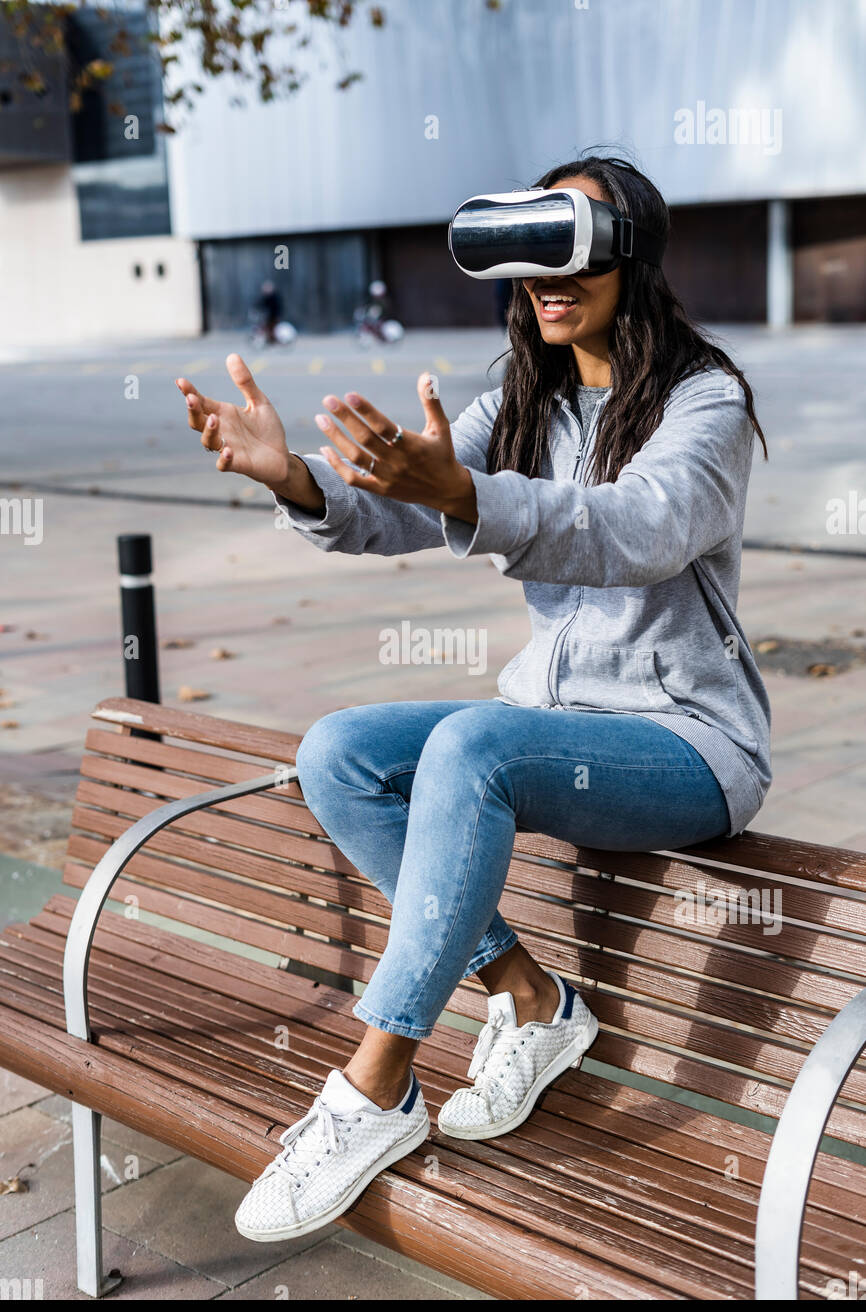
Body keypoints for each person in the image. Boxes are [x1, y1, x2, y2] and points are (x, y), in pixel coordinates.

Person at [176, 154, 771, 1245]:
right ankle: (532, 1002)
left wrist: (467, 491)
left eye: (571, 247)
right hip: (557, 732)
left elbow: (637, 530)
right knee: (339, 749)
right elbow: (394, 506)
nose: (547, 279)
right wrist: (296, 478)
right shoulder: (523, 398)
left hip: (688, 743)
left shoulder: (706, 399)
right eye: (528, 252)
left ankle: (373, 1087)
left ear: (629, 253)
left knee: (472, 744)